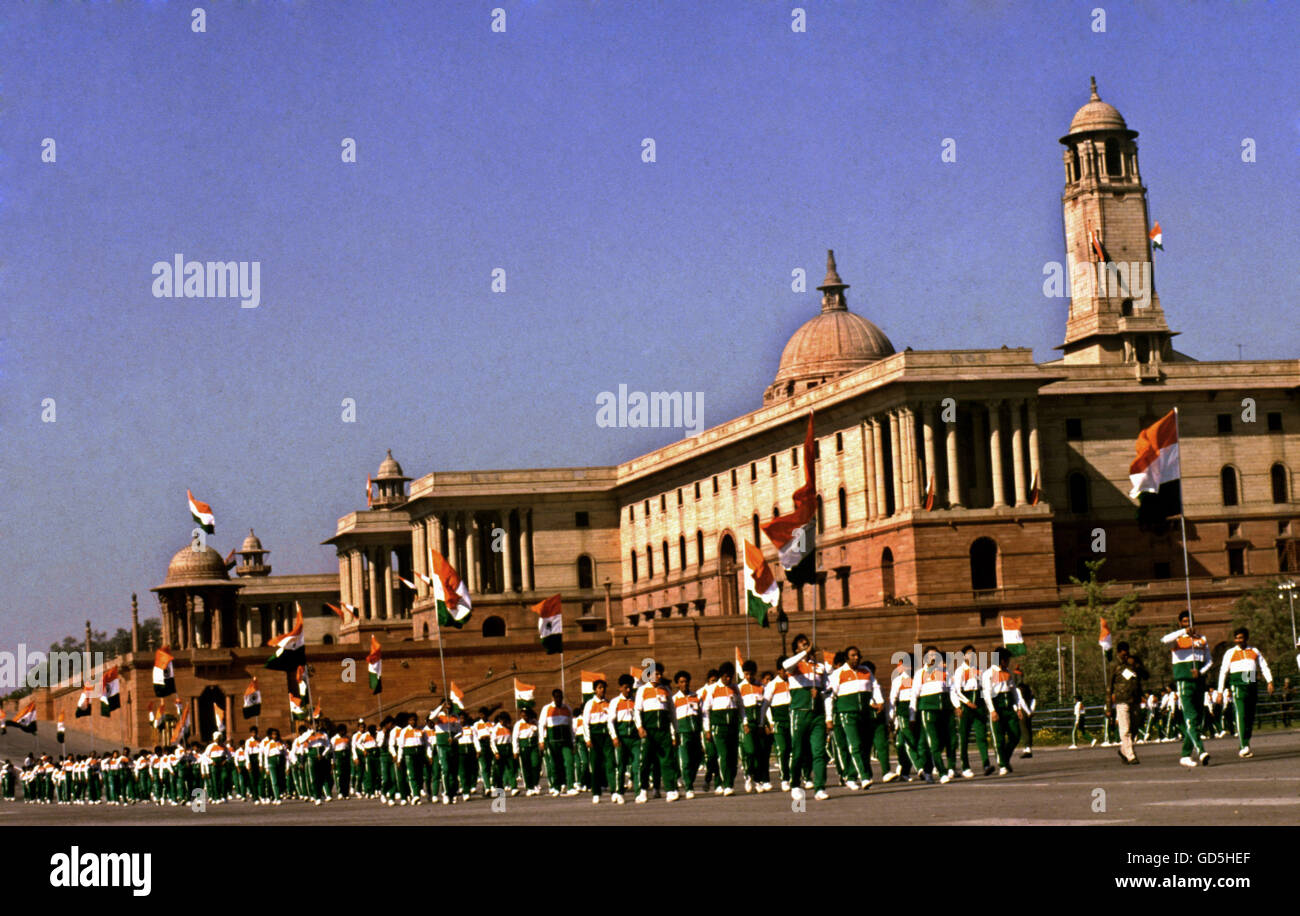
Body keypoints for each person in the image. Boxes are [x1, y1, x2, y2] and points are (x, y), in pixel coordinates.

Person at [1161, 611, 1212, 768]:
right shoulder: (1176, 640)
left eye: (1190, 621)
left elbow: (1209, 661)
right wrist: (1184, 632)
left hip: (1199, 682)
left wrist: (1201, 672)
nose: (1187, 624)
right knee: (1190, 716)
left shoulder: (1202, 640)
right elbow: (1163, 640)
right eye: (1184, 622)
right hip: (1184, 681)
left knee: (1197, 719)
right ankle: (1201, 750)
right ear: (1180, 623)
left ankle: (1185, 754)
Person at [782, 634, 830, 800]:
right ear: (796, 649)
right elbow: (785, 664)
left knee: (818, 751)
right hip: (799, 713)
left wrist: (821, 692)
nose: (807, 647)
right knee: (798, 751)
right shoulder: (794, 665)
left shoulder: (820, 667)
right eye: (803, 645)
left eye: (808, 644)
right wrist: (804, 653)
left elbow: (828, 688)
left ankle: (819, 787)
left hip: (817, 715)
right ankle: (795, 783)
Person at [1217, 626, 1274, 758]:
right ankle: (1244, 746)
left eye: (1241, 638)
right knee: (1241, 714)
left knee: (1249, 717)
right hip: (1237, 685)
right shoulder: (1230, 653)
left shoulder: (1254, 651)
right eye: (1236, 638)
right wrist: (1220, 691)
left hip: (1251, 685)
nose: (1238, 641)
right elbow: (1223, 671)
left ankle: (1245, 742)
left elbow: (1263, 666)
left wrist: (1269, 681)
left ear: (1246, 638)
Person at [910, 646, 955, 783]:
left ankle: (927, 769)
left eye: (935, 655)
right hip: (928, 710)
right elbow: (914, 695)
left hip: (944, 711)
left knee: (941, 742)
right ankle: (942, 772)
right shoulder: (920, 674)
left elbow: (951, 690)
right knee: (933, 742)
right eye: (930, 655)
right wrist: (912, 716)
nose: (933, 658)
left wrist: (956, 706)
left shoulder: (944, 672)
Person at [633, 663, 677, 803]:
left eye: (659, 674)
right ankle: (643, 791)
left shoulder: (666, 690)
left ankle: (670, 790)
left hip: (663, 731)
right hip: (649, 732)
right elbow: (637, 711)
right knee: (645, 761)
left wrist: (675, 731)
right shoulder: (642, 690)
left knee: (667, 761)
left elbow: (672, 712)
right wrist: (640, 727)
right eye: (655, 674)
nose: (658, 676)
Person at [950, 645, 993, 777]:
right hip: (966, 704)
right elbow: (956, 690)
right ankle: (965, 767)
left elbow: (983, 688)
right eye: (969, 654)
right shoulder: (960, 671)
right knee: (964, 737)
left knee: (981, 736)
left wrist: (985, 705)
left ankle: (986, 763)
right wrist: (962, 704)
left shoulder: (979, 671)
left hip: (978, 704)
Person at [702, 661, 741, 796]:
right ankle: (727, 785)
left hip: (734, 727)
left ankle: (730, 780)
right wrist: (707, 730)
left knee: (733, 758)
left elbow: (741, 708)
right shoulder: (712, 689)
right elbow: (706, 710)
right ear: (721, 676)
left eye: (730, 676)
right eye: (725, 676)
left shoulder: (735, 688)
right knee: (723, 755)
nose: (728, 679)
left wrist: (745, 722)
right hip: (719, 728)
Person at [983, 647, 1021, 775]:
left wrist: (1018, 707)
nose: (1009, 662)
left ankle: (1005, 758)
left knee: (1016, 735)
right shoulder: (989, 674)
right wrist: (992, 711)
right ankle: (1002, 764)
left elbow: (1014, 691)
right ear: (1002, 660)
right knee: (999, 739)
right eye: (1007, 659)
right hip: (997, 707)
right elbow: (987, 693)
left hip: (1009, 708)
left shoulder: (1008, 672)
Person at [1108, 642, 1147, 765]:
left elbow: (1146, 676)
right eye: (1123, 654)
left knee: (1134, 728)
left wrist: (1136, 666)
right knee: (1125, 730)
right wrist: (1108, 707)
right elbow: (1109, 687)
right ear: (1119, 653)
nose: (1126, 657)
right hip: (1121, 701)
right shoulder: (1114, 665)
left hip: (1135, 700)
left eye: (1127, 654)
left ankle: (1123, 750)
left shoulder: (1134, 663)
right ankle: (1131, 756)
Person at [580, 679, 616, 803]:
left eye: (603, 687)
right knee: (595, 765)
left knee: (610, 763)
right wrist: (587, 739)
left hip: (606, 736)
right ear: (595, 690)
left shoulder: (609, 703)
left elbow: (612, 721)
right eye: (600, 687)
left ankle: (614, 790)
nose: (602, 690)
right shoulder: (590, 704)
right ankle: (596, 792)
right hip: (595, 736)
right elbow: (585, 723)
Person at [538, 689, 578, 796]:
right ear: (552, 698)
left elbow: (570, 727)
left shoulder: (567, 708)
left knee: (569, 762)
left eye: (560, 697)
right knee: (555, 764)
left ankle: (570, 786)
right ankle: (556, 787)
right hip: (553, 740)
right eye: (556, 697)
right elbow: (541, 725)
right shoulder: (547, 709)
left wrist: (573, 742)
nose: (558, 699)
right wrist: (541, 740)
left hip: (566, 741)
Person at [671, 670, 703, 798]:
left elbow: (701, 714)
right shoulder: (674, 699)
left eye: (686, 681)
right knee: (685, 761)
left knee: (697, 759)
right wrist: (674, 734)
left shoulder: (696, 696)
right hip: (683, 733)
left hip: (695, 732)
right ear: (677, 684)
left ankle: (689, 779)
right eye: (681, 682)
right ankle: (689, 787)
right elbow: (671, 718)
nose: (684, 684)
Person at [607, 674, 639, 804]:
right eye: (625, 687)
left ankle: (639, 791)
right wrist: (615, 737)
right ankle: (619, 791)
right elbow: (610, 721)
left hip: (635, 738)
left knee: (637, 765)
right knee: (620, 766)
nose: (628, 690)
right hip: (621, 738)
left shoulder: (636, 701)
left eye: (630, 687)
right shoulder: (615, 702)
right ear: (620, 688)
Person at [764, 661, 793, 791]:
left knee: (795, 750)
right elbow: (766, 705)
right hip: (779, 722)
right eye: (783, 670)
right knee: (782, 750)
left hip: (792, 720)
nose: (786, 673)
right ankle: (784, 778)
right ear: (778, 671)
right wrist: (767, 722)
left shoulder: (793, 681)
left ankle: (799, 776)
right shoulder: (772, 685)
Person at [1015, 674, 1036, 758]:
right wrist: (1031, 710)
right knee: (1028, 728)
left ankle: (1027, 748)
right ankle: (1028, 747)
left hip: (1023, 710)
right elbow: (1033, 699)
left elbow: (1021, 702)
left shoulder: (1018, 689)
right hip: (1029, 709)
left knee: (1024, 729)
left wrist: (1026, 711)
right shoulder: (1028, 689)